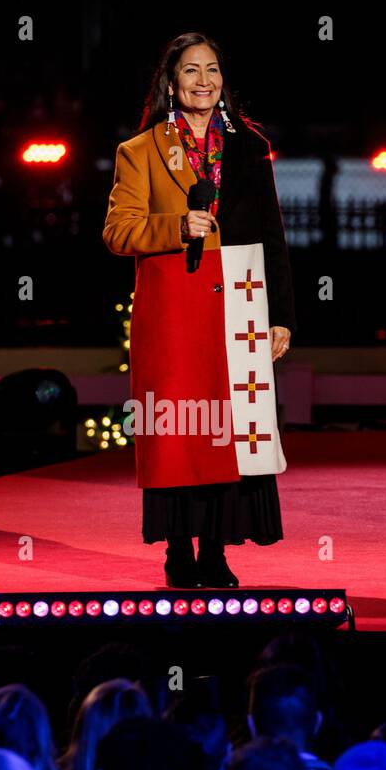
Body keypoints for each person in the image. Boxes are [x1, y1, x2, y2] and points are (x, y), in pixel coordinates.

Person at [103, 31, 298, 589]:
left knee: (230, 433)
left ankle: (215, 549)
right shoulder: (138, 151)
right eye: (191, 71)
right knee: (180, 435)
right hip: (172, 315)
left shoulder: (248, 146)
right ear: (170, 82)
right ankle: (177, 551)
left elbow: (272, 234)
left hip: (237, 301)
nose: (204, 81)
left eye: (213, 70)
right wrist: (173, 228)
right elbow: (117, 232)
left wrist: (280, 314)